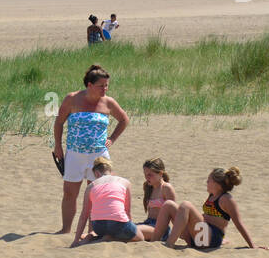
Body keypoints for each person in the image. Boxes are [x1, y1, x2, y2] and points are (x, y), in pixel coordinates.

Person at [52, 64, 129, 233]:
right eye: (101, 85)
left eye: (107, 85)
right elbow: (59, 122)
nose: (105, 89)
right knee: (70, 193)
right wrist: (58, 146)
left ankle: (92, 230)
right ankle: (65, 229)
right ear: (89, 85)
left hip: (99, 156)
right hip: (74, 153)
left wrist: (112, 138)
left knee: (97, 194)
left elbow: (124, 120)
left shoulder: (108, 102)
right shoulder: (72, 99)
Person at [155, 166, 266, 250]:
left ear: (217, 184)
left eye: (209, 180)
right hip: (198, 237)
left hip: (210, 239)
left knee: (186, 205)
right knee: (169, 204)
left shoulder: (226, 199)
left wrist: (253, 246)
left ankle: (169, 244)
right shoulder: (212, 195)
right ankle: (154, 241)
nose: (206, 182)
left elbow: (239, 223)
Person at [72, 157, 144, 245]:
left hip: (98, 226)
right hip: (118, 222)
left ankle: (92, 237)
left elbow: (84, 215)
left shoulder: (90, 186)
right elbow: (127, 211)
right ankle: (110, 238)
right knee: (140, 237)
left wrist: (76, 240)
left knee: (107, 229)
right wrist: (130, 228)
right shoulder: (125, 182)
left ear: (97, 173)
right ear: (110, 171)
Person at [139, 158, 176, 239]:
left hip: (161, 229)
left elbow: (174, 215)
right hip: (148, 223)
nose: (146, 177)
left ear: (160, 173)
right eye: (145, 174)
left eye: (150, 175)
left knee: (134, 231)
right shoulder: (148, 187)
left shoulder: (166, 188)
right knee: (124, 229)